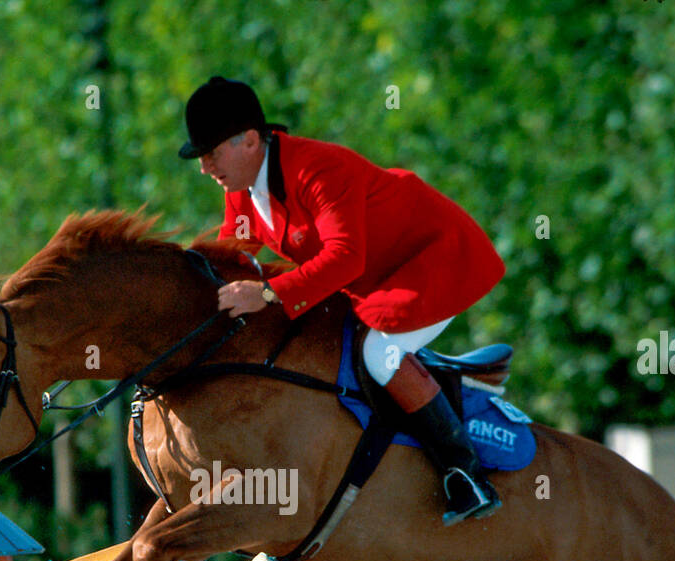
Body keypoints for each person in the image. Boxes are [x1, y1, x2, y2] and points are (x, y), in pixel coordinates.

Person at [179, 76, 506, 523]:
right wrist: (188, 287)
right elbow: (234, 252)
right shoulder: (242, 190)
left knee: (380, 353)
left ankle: (464, 474)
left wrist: (269, 292)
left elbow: (345, 258)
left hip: (435, 259)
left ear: (250, 141)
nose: (204, 168)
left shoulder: (317, 169)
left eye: (210, 154)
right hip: (375, 278)